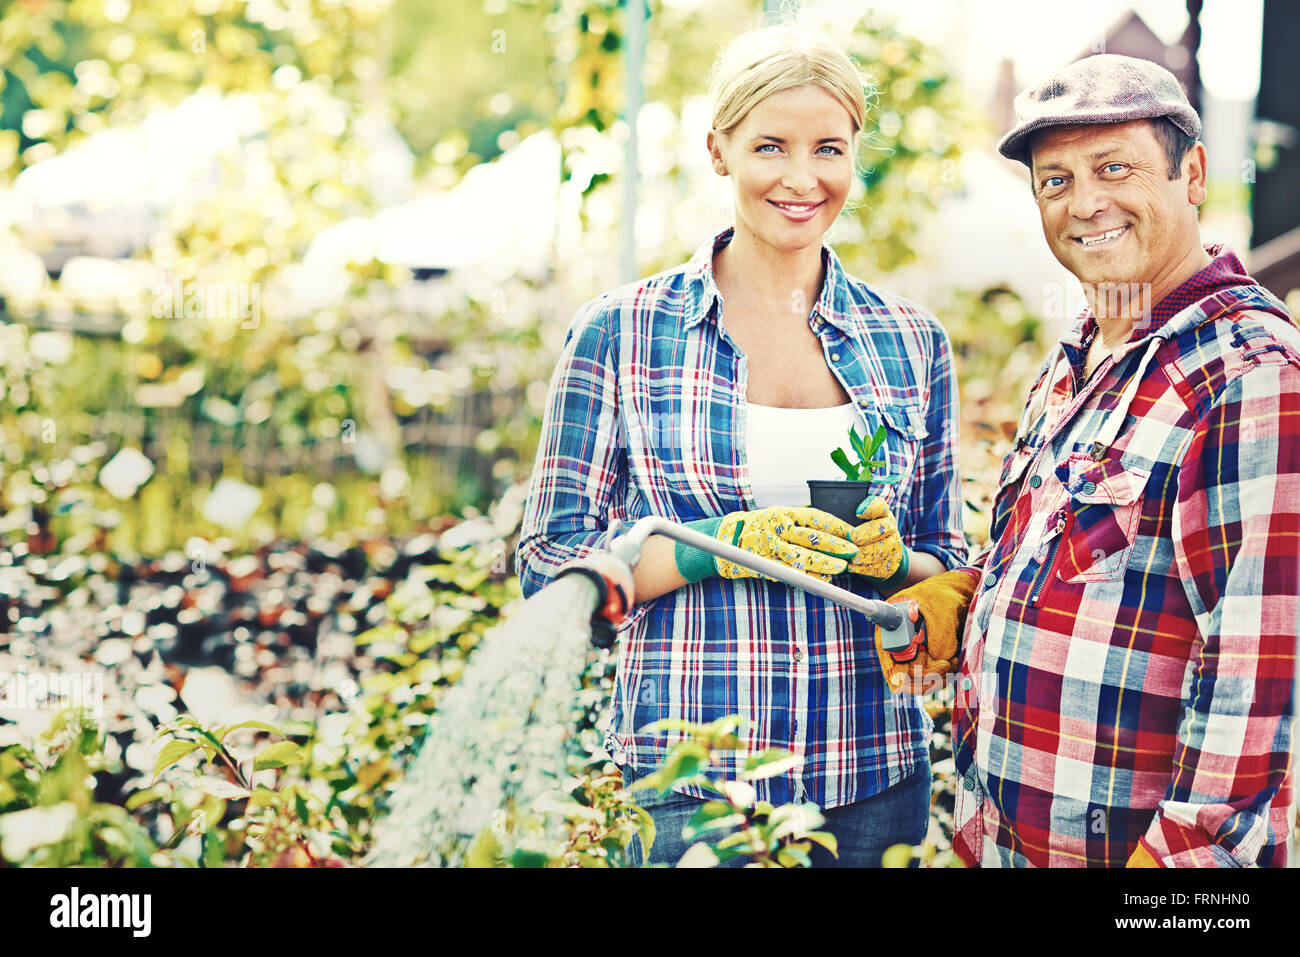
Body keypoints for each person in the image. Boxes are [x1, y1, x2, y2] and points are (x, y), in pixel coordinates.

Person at [515, 23, 967, 867]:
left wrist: (900, 565)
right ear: (719, 150)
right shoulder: (621, 332)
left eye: (829, 148)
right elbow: (548, 567)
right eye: (771, 146)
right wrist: (709, 551)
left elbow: (951, 560)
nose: (802, 179)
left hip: (875, 780)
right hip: (691, 788)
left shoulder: (910, 341)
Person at [884, 54, 1299, 867]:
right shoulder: (1078, 358)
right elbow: (1097, 568)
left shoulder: (1249, 375)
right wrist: (964, 594)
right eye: (1056, 181)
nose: (1086, 203)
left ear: (1194, 175)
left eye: (1115, 167)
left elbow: (1254, 696)